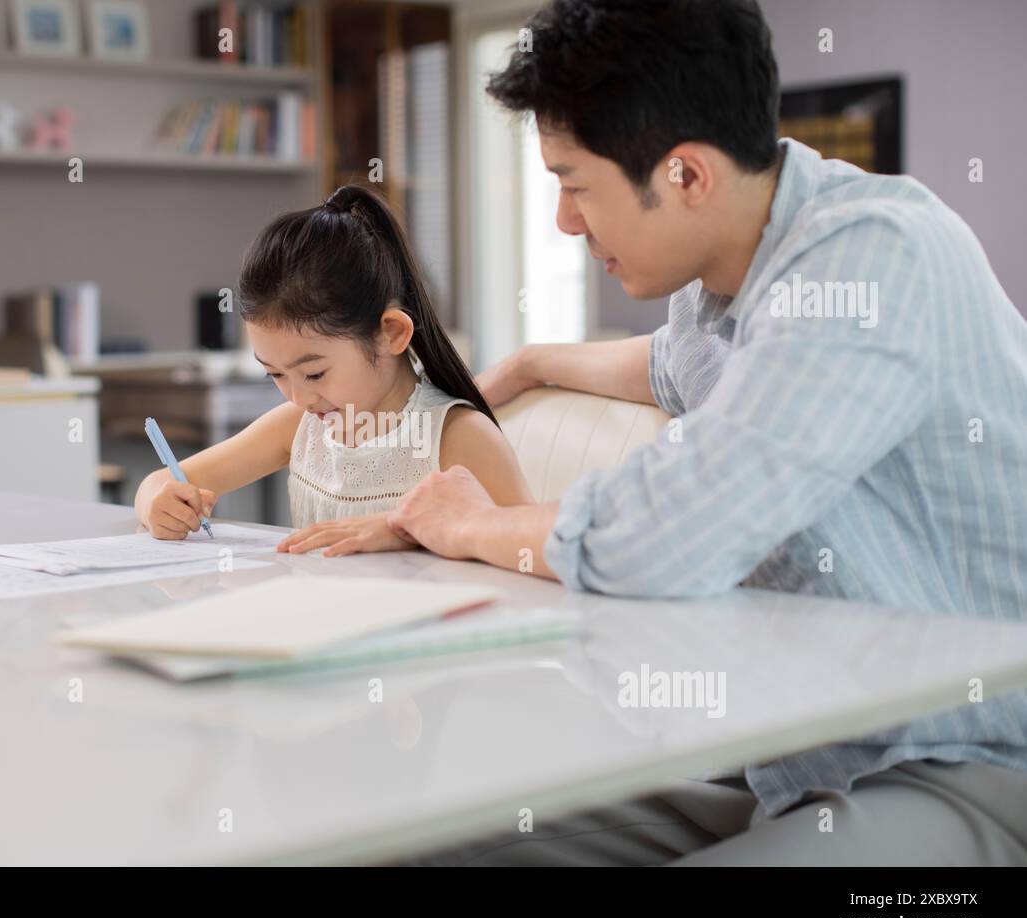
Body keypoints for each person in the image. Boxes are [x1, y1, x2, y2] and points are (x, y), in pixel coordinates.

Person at [393, 0, 1027, 865]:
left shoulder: (874, 259)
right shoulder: (724, 286)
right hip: (802, 757)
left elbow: (662, 537)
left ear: (686, 175)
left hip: (970, 763)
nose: (564, 223)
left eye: (575, 185)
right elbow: (664, 363)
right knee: (437, 843)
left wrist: (469, 524)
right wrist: (528, 364)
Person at [134, 184, 531, 556]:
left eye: (315, 374)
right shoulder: (299, 427)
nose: (299, 398)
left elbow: (529, 547)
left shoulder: (457, 437)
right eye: (275, 374)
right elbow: (162, 481)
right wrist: (157, 502)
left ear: (391, 333)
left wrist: (405, 530)